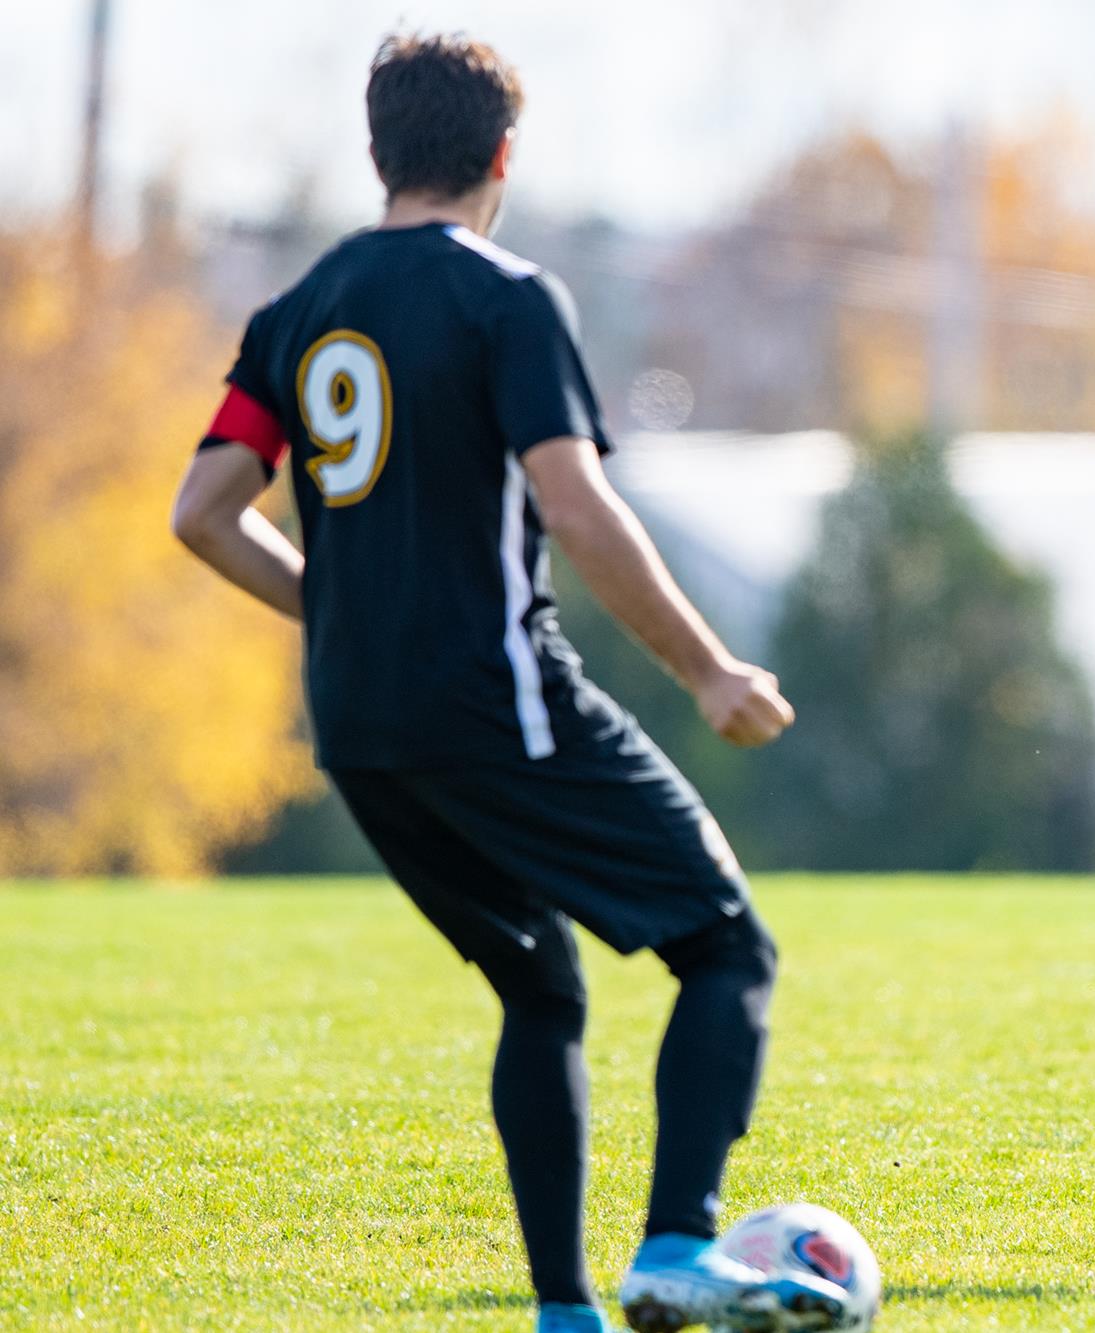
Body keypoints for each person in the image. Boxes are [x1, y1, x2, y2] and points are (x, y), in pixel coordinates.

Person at [171, 33, 844, 1333]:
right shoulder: (506, 296)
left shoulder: (295, 309)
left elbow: (203, 511)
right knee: (725, 947)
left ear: (381, 151)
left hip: (362, 725)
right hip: (494, 698)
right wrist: (708, 670)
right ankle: (677, 1249)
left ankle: (565, 1312)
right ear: (502, 157)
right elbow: (577, 506)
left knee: (540, 982)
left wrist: (341, 610)